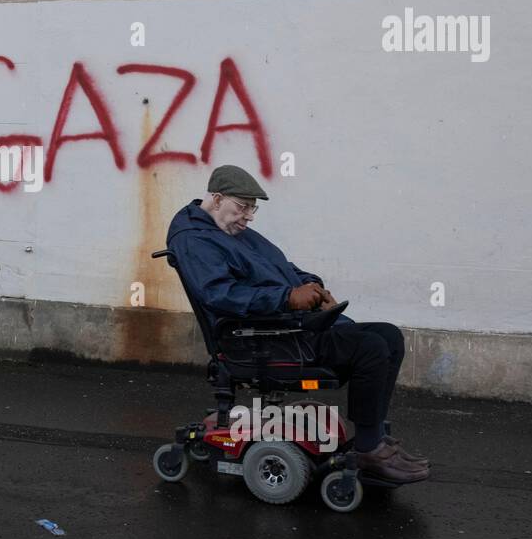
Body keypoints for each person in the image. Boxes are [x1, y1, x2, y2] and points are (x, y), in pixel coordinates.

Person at [166, 164, 430, 484]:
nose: (249, 216)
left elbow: (283, 268)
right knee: (370, 347)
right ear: (217, 199)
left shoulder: (232, 230)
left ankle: (370, 435)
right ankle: (368, 450)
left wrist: (314, 288)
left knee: (389, 336)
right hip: (260, 339)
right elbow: (221, 295)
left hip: (289, 326)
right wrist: (288, 298)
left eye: (253, 209)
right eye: (243, 207)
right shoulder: (195, 240)